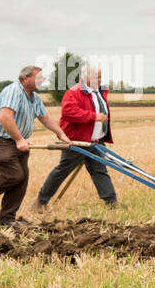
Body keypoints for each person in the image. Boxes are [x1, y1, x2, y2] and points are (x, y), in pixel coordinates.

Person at [0, 65, 70, 224]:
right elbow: (5, 118)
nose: (42, 81)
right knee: (15, 175)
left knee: (21, 180)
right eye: (38, 78)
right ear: (25, 79)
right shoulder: (13, 91)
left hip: (17, 142)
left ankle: (7, 218)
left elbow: (45, 117)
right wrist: (19, 139)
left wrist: (61, 133)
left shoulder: (34, 97)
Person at [36, 63, 118, 209]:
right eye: (95, 77)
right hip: (76, 141)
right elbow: (69, 113)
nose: (99, 80)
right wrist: (93, 117)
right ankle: (41, 201)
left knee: (100, 170)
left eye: (100, 77)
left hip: (95, 142)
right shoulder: (73, 92)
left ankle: (111, 202)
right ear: (85, 77)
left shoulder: (99, 92)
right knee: (63, 171)